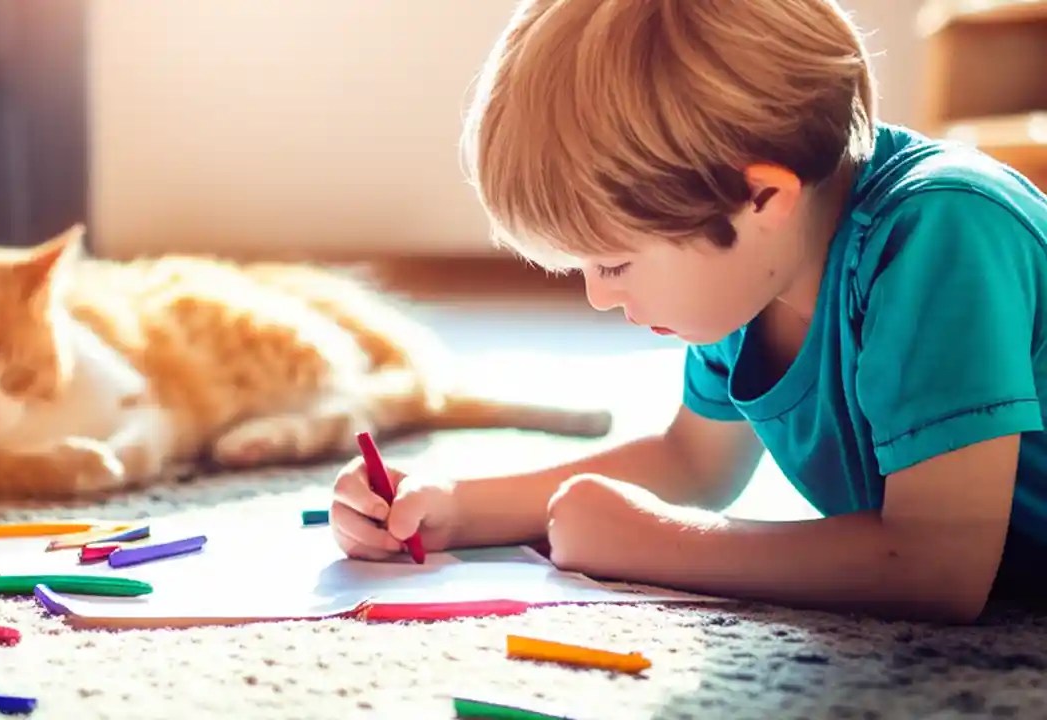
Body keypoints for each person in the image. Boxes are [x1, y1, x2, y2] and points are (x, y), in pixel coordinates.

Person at [329, 0, 1047, 623]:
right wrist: (457, 505)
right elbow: (693, 463)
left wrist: (661, 544)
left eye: (614, 262)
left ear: (762, 198)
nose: (598, 296)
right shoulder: (755, 272)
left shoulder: (945, 231)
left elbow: (937, 567)